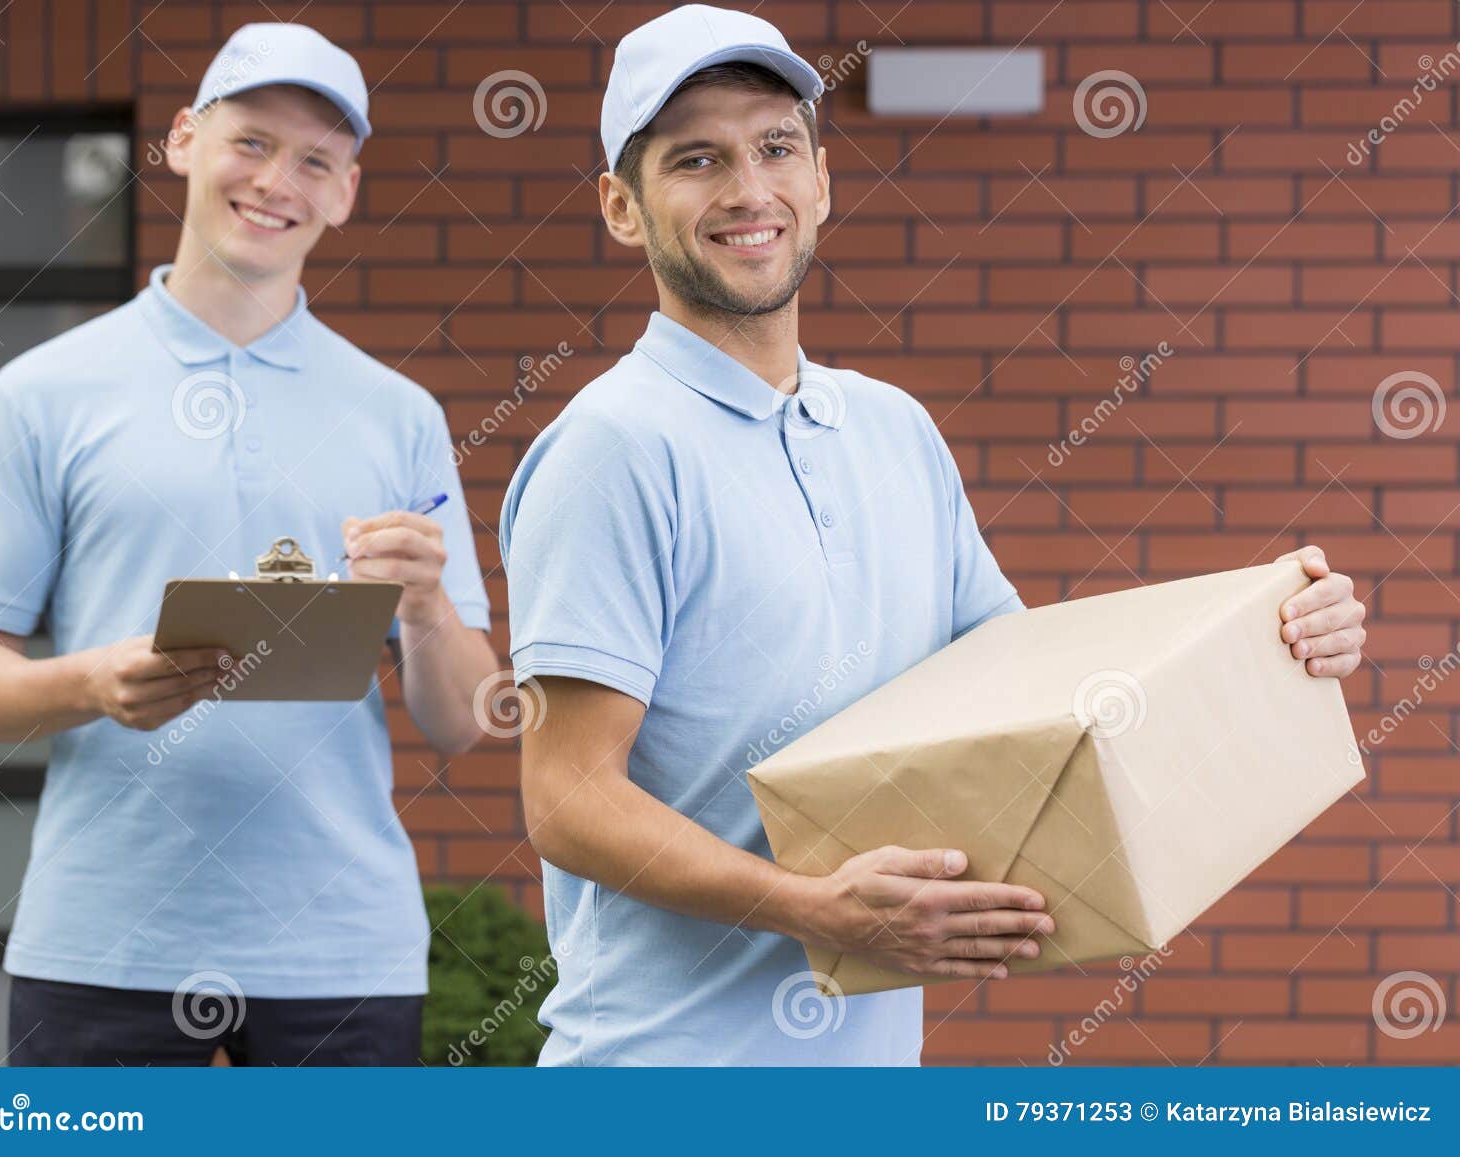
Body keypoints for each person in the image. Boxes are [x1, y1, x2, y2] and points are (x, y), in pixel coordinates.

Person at [499, 4, 1368, 1066]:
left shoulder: (891, 429)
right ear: (621, 208)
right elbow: (567, 797)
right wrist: (811, 904)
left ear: (820, 179)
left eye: (776, 147)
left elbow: (1029, 698)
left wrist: (1273, 630)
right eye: (695, 159)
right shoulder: (614, 446)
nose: (747, 189)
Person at [0, 23, 500, 1066]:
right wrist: (94, 680)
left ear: (345, 193)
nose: (279, 180)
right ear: (185, 138)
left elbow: (463, 719)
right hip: (105, 945)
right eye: (252, 141)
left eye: (315, 160)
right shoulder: (44, 393)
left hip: (342, 951)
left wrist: (425, 607)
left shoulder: (398, 412)